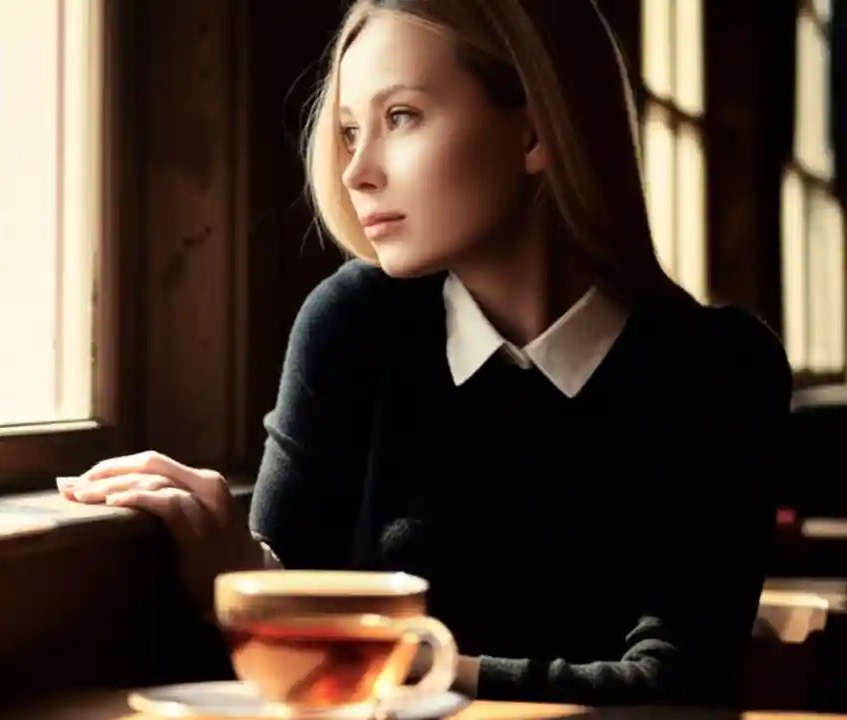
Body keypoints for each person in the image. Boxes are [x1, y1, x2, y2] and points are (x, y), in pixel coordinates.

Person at [59, 0, 792, 708]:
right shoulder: (351, 328)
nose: (356, 171)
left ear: (536, 130)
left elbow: (672, 685)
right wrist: (235, 566)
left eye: (400, 117)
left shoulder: (720, 372)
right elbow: (277, 658)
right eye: (349, 131)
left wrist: (382, 656)